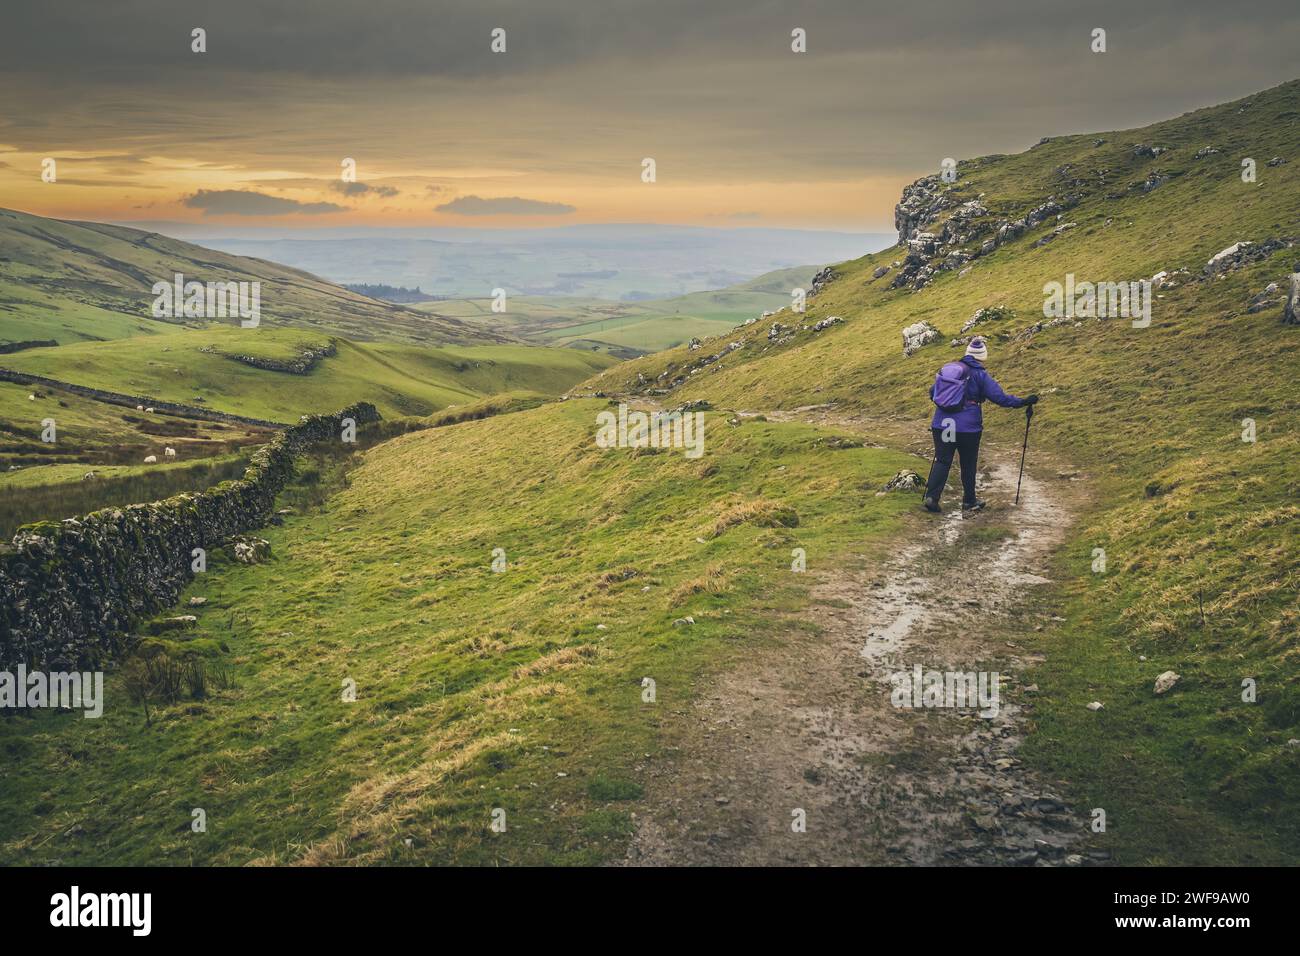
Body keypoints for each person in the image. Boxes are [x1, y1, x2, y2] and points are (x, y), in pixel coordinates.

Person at [923, 336, 1037, 513]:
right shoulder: (980, 375)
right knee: (968, 463)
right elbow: (1000, 398)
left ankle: (932, 497)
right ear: (982, 357)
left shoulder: (949, 370)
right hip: (967, 429)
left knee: (943, 460)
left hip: (943, 424)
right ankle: (969, 501)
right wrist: (1022, 402)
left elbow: (933, 393)